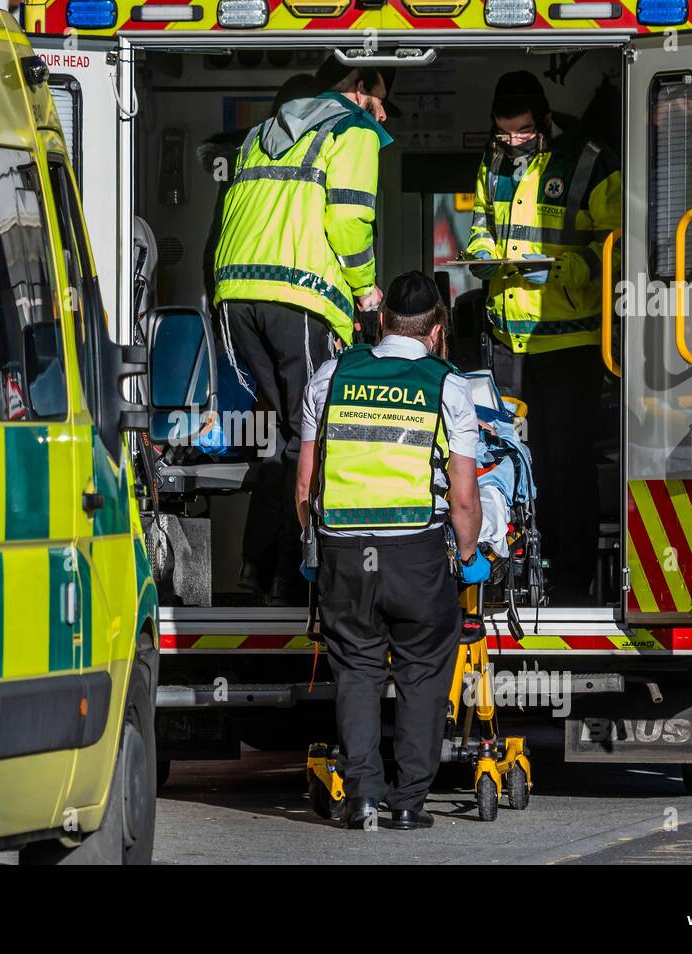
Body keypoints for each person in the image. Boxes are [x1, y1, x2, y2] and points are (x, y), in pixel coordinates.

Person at [295, 271, 485, 831]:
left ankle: (364, 800)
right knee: (425, 669)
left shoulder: (330, 376)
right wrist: (470, 557)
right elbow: (465, 497)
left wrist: (314, 552)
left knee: (356, 668)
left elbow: (305, 487)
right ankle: (408, 802)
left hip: (346, 556)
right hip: (416, 555)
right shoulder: (449, 387)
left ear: (381, 322)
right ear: (435, 330)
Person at [214, 61, 392, 605]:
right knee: (311, 434)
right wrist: (366, 290)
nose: (384, 114)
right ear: (361, 89)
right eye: (382, 99)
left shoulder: (262, 134)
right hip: (300, 295)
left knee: (281, 436)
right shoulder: (354, 128)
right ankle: (295, 579)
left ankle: (254, 567)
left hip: (238, 297)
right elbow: (348, 219)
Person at [464, 70, 621, 604]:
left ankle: (572, 583)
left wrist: (557, 269)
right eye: (505, 134)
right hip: (507, 339)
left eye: (524, 133)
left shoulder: (589, 161)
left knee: (566, 468)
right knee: (503, 463)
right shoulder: (492, 163)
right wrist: (482, 257)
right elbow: (483, 226)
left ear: (546, 121)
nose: (513, 144)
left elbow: (619, 248)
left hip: (569, 345)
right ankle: (510, 577)